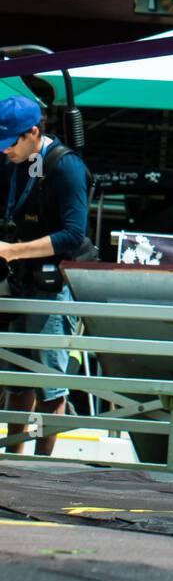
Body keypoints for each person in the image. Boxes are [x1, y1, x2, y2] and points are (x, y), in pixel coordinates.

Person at [0, 96, 96, 455]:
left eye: (11, 142)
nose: (6, 150)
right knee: (14, 376)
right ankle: (13, 457)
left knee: (49, 382)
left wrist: (11, 250)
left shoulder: (66, 166)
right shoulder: (12, 162)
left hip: (53, 286)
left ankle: (43, 465)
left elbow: (74, 235)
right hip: (18, 280)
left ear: (34, 133)